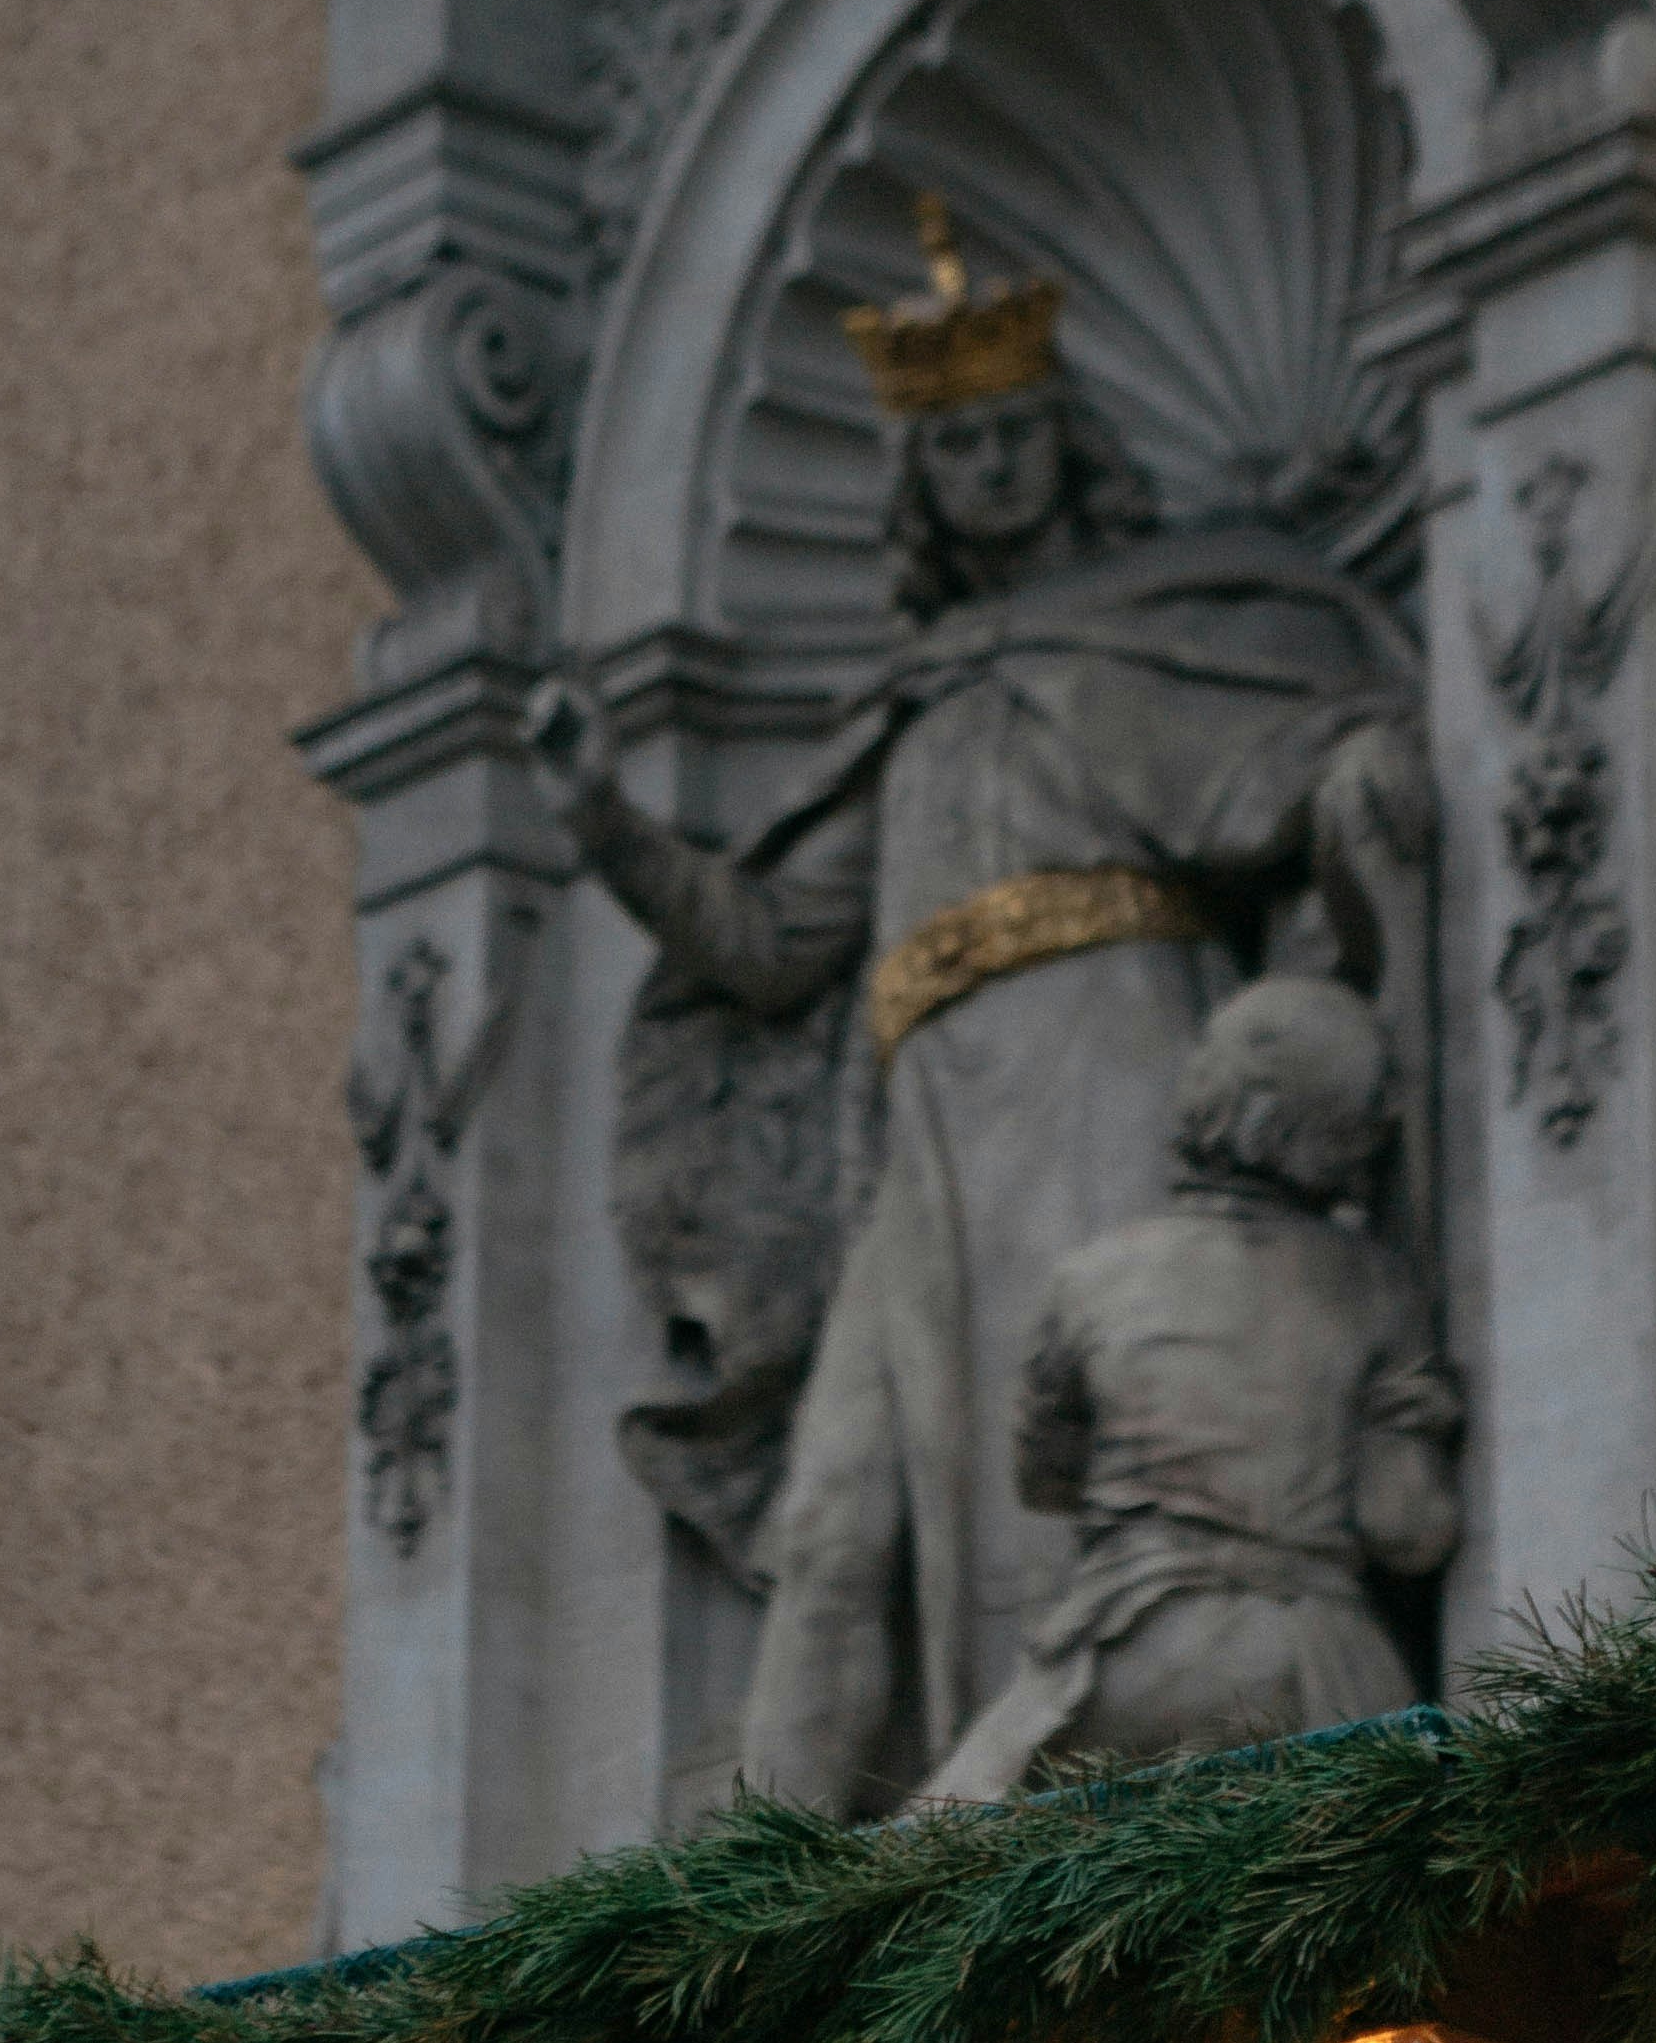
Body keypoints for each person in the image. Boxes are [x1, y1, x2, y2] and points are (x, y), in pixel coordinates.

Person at [532, 198, 1431, 1811]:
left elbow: (1305, 762)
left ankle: (1073, 1836)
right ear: (921, 483)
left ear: (1064, 440)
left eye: (1020, 433)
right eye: (962, 448)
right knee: (833, 1518)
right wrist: (602, 820)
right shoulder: (914, 699)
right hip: (929, 1135)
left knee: (1076, 1484)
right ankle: (755, 1921)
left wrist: (1363, 789)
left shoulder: (1158, 628)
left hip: (1111, 1058)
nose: (997, 468)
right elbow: (764, 941)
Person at [928, 976, 1463, 1799]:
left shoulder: (1092, 1277)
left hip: (1142, 1645)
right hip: (1328, 1667)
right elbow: (1408, 1527)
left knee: (916, 1870)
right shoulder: (1379, 1286)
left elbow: (1042, 1476)